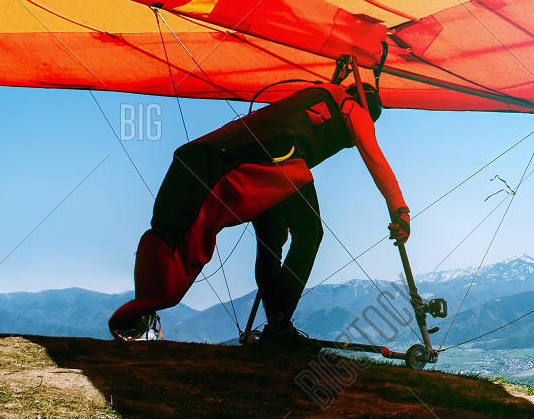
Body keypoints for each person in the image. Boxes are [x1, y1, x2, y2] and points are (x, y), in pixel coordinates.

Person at [107, 69, 410, 346]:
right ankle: (279, 327)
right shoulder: (352, 108)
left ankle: (277, 325)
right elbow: (376, 161)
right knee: (309, 233)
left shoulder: (318, 94)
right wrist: (400, 210)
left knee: (271, 239)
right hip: (275, 162)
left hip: (238, 159)